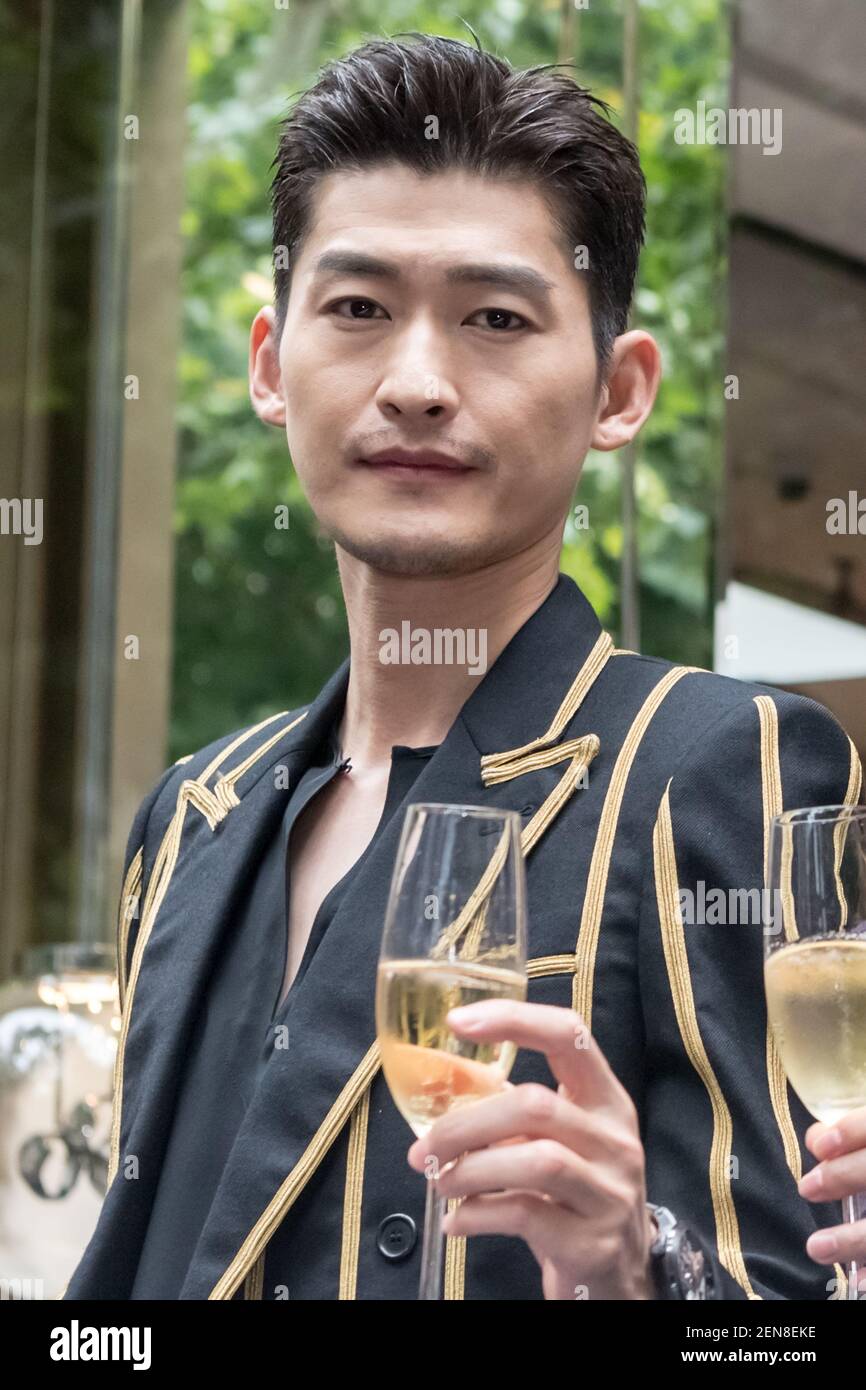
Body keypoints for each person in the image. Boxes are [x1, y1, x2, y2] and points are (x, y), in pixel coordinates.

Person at [64, 31, 865, 1301]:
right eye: (358, 309)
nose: (420, 382)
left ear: (619, 387)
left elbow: (802, 1292)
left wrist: (637, 1270)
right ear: (272, 365)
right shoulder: (190, 815)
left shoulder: (706, 769)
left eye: (495, 318)